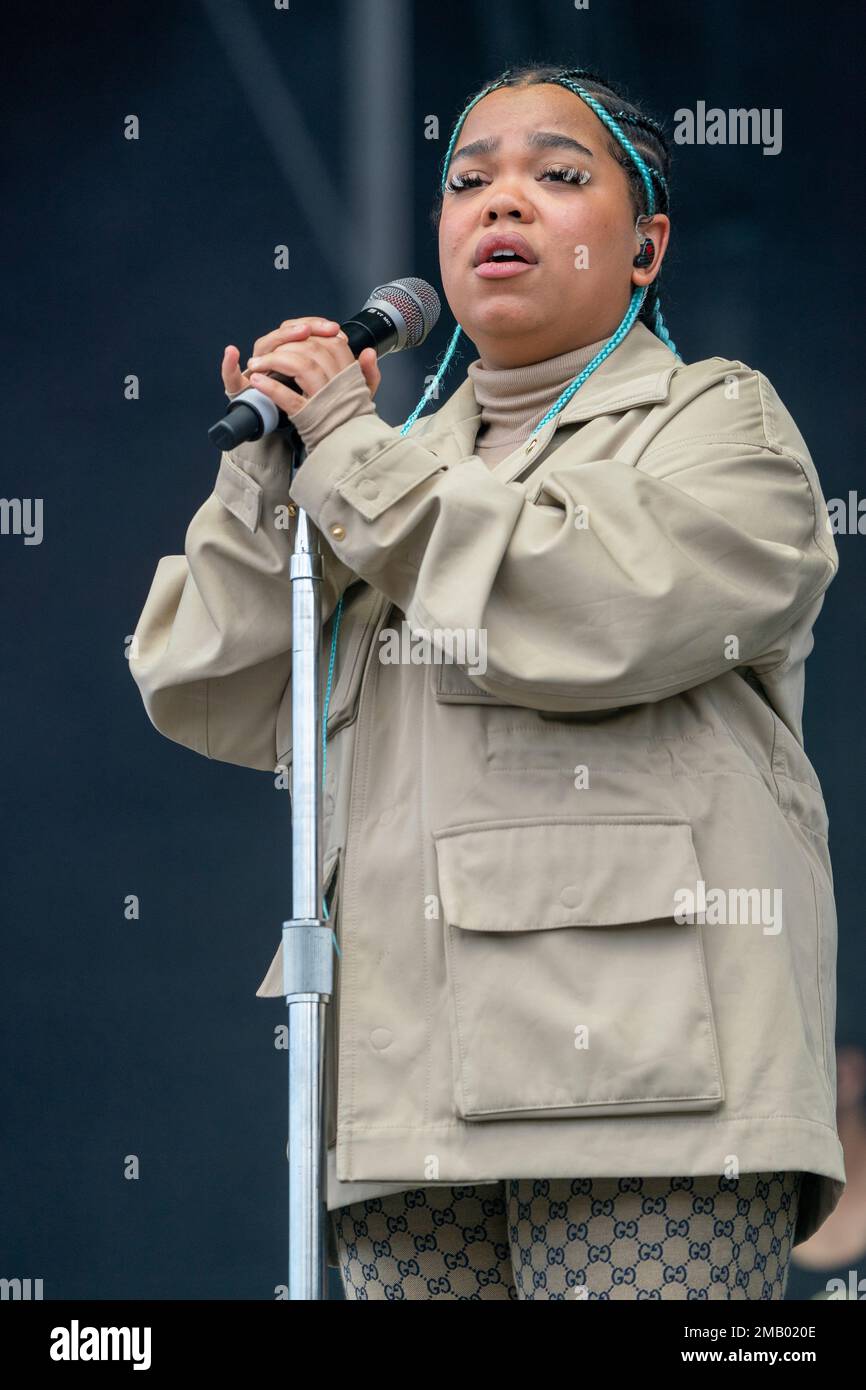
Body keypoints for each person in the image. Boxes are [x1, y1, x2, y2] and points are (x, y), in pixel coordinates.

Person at [129, 63, 845, 1300]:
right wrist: (269, 484)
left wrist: (351, 457)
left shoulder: (715, 425)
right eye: (468, 182)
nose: (499, 204)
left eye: (556, 178)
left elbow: (598, 608)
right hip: (401, 1102)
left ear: (644, 247)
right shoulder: (374, 468)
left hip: (651, 1098)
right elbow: (209, 681)